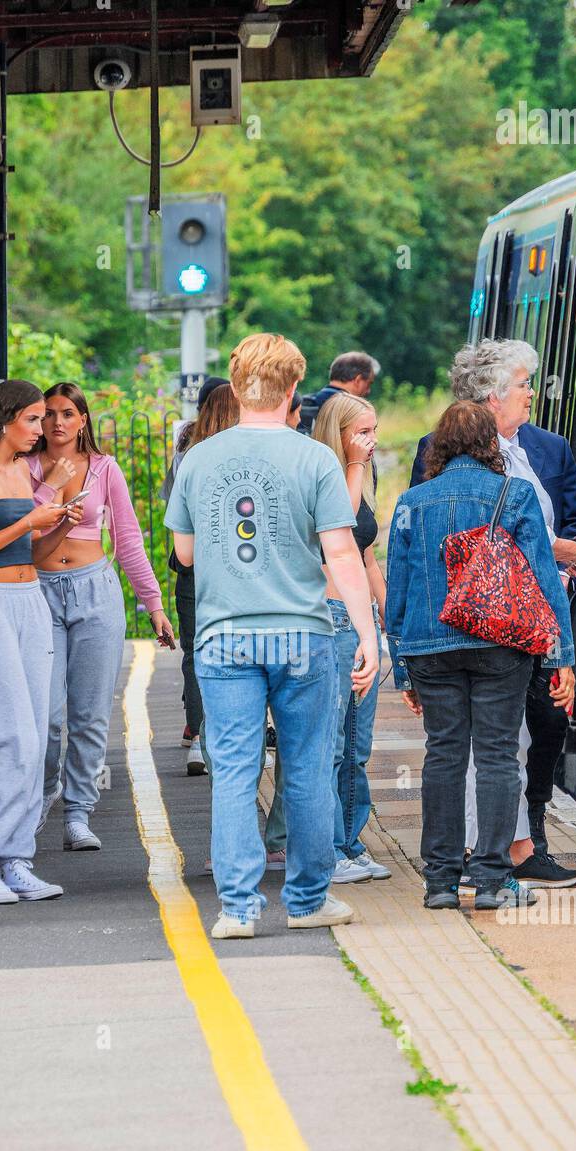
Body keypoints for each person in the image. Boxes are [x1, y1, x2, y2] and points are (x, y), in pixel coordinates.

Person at [165, 331, 380, 939]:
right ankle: (307, 899)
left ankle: (236, 908)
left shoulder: (200, 456)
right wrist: (366, 635)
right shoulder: (314, 459)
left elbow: (183, 552)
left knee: (232, 770)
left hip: (224, 636)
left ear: (235, 389)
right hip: (301, 636)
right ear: (292, 392)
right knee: (306, 767)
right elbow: (342, 553)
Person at [410, 339, 576, 887]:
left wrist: (565, 558)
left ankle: (503, 849)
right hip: (482, 622)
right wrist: (555, 552)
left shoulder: (543, 449)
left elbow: (574, 521)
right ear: (492, 398)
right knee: (483, 746)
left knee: (521, 738)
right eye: (522, 385)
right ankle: (488, 857)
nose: (531, 393)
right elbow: (440, 542)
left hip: (532, 614)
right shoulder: (444, 452)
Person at [386, 400, 576, 911]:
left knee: (444, 755)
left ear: (439, 447)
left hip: (430, 646)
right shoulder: (514, 496)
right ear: (493, 445)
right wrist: (561, 656)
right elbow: (542, 580)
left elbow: (397, 590)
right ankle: (493, 881)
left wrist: (401, 668)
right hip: (500, 645)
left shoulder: (410, 502)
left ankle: (441, 883)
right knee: (496, 755)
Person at [0, 380, 84, 905]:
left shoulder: (23, 473)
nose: (42, 429)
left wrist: (54, 525)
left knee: (39, 739)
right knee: (12, 739)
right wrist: (29, 518)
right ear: (4, 420)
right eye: (32, 419)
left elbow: (31, 547)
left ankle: (15, 858)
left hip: (31, 600)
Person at [28, 381, 175, 850]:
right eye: (48, 414)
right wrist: (47, 487)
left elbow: (128, 540)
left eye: (67, 413)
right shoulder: (24, 467)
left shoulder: (104, 469)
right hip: (39, 593)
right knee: (48, 717)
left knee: (89, 714)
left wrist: (153, 604)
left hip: (95, 590)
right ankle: (46, 789)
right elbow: (17, 531)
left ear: (83, 419)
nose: (57, 423)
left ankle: (78, 812)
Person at [313, 393, 391, 884]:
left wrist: (390, 615)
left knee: (358, 741)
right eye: (360, 432)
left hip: (359, 617)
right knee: (335, 742)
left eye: (374, 430)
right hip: (331, 615)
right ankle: (331, 848)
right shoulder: (326, 476)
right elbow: (336, 532)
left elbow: (364, 556)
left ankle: (349, 838)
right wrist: (356, 465)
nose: (370, 441)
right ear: (337, 433)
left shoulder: (361, 475)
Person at [164, 375, 230, 772]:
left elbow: (174, 508)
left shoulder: (186, 448)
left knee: (195, 650)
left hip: (192, 568)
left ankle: (197, 733)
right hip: (233, 565)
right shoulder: (243, 451)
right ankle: (223, 733)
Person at [297, 351, 381, 435]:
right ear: (358, 380)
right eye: (369, 383)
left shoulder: (303, 403)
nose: (368, 390)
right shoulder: (352, 411)